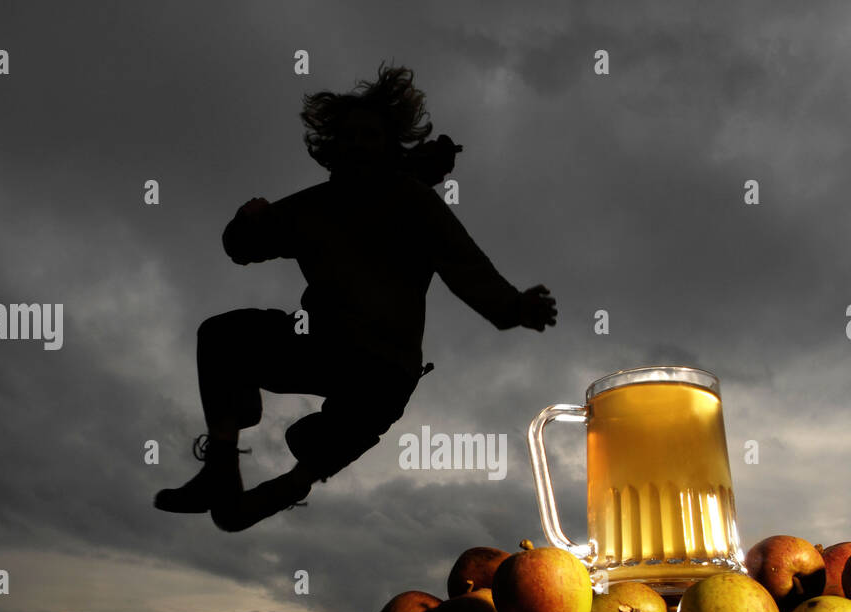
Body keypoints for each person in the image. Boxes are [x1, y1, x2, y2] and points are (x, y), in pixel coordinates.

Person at [154, 63, 557, 531]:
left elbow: (464, 265)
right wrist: (245, 222)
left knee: (361, 409)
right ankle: (219, 469)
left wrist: (515, 307)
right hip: (322, 344)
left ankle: (291, 484)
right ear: (332, 147)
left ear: (389, 144)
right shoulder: (314, 207)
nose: (359, 144)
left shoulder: (413, 202)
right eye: (349, 136)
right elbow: (243, 248)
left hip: (383, 365)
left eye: (370, 135)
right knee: (222, 335)